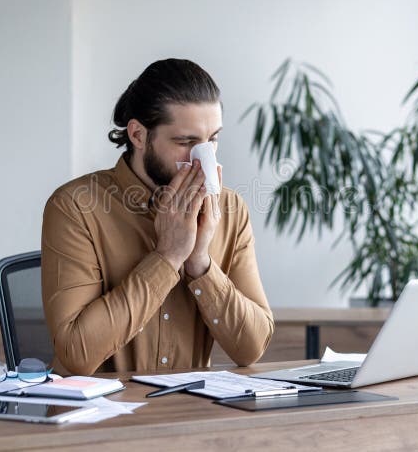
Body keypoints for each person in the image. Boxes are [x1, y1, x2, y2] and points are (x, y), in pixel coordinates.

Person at [41, 58, 274, 375]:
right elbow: (76, 355)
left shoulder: (229, 210)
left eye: (212, 140)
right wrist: (167, 256)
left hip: (185, 413)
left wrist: (200, 263)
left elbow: (251, 349)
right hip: (95, 416)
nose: (202, 159)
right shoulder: (75, 207)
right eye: (186, 142)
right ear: (138, 135)